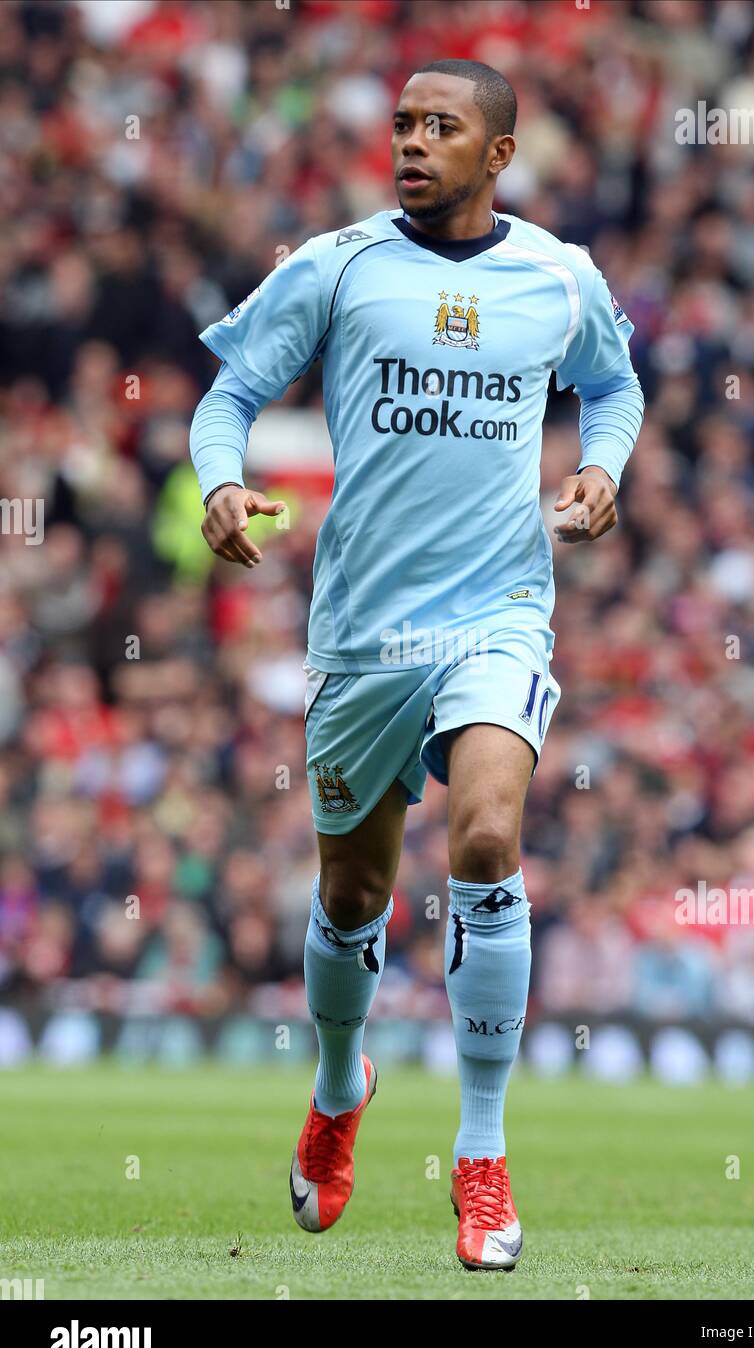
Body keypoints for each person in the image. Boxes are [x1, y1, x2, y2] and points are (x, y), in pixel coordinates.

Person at [190, 58, 644, 1271]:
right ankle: (341, 1088)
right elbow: (229, 392)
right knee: (351, 895)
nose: (411, 141)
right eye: (401, 122)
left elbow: (614, 385)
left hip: (498, 610)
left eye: (441, 126)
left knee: (489, 839)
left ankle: (484, 1154)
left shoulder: (558, 275)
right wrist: (221, 479)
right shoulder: (336, 264)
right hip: (361, 633)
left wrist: (604, 469)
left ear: (498, 154)